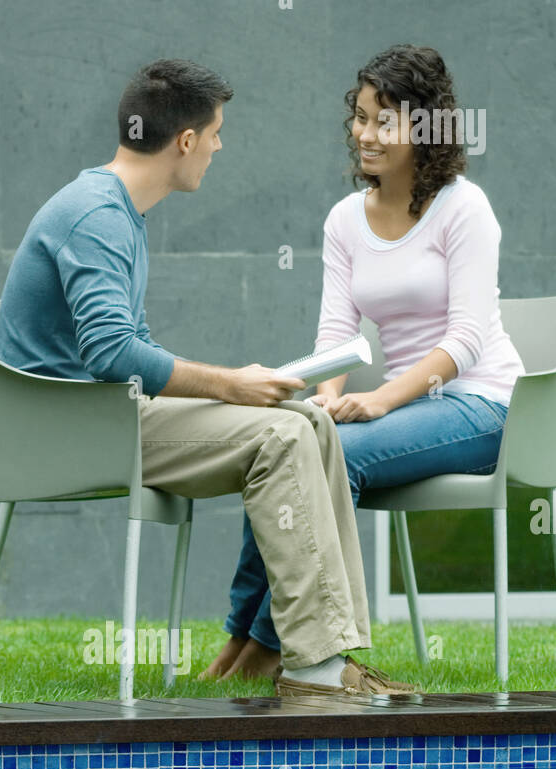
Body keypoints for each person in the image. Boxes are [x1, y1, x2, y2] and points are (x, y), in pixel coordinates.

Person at [0, 58, 414, 698]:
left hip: (97, 414)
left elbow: (126, 345)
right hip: (64, 427)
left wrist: (245, 385)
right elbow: (110, 352)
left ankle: (336, 654)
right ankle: (315, 670)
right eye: (214, 133)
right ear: (184, 141)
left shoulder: (116, 210)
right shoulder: (97, 216)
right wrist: (230, 386)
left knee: (306, 421)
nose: (219, 146)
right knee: (279, 438)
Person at [204, 44, 524, 683]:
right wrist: (323, 396)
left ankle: (272, 647)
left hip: (479, 405)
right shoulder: (345, 220)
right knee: (283, 440)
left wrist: (378, 401)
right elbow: (336, 333)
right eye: (360, 116)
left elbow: (464, 342)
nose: (365, 133)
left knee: (338, 457)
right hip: (411, 410)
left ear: (426, 127)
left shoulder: (464, 208)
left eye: (385, 120)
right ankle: (240, 637)